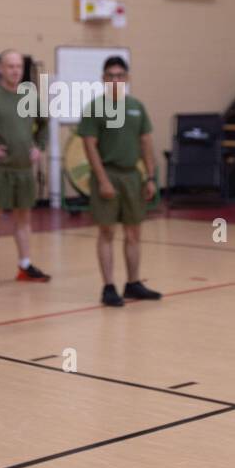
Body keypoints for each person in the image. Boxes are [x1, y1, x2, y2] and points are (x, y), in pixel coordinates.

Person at [77, 56, 161, 307]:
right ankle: (108, 286)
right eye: (110, 76)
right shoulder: (95, 107)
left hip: (132, 176)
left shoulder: (137, 106)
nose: (115, 80)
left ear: (127, 78)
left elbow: (146, 142)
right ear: (104, 79)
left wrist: (150, 177)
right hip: (108, 173)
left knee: (134, 231)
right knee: (106, 231)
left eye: (120, 75)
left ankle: (133, 283)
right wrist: (103, 180)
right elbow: (89, 147)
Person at [0, 49, 51, 287]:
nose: (15, 71)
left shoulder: (30, 96)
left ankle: (25, 265)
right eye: (10, 66)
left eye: (18, 67)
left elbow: (44, 124)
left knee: (23, 218)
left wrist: (40, 146)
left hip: (24, 169)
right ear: (0, 69)